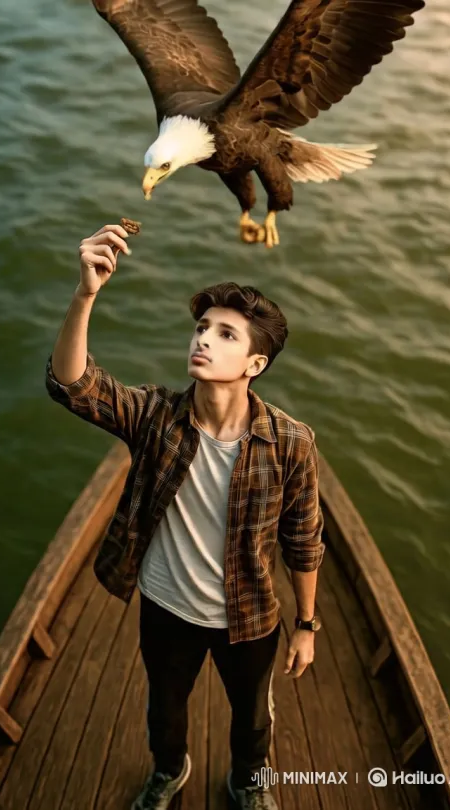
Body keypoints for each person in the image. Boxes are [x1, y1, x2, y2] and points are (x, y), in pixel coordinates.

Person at [45, 222, 325, 810]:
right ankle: (169, 772)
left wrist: (307, 624)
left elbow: (304, 542)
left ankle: (249, 781)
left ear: (254, 364)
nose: (203, 339)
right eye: (202, 328)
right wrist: (85, 294)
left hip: (248, 617)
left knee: (253, 718)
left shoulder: (291, 443)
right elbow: (73, 385)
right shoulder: (155, 417)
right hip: (165, 607)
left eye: (226, 334)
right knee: (164, 710)